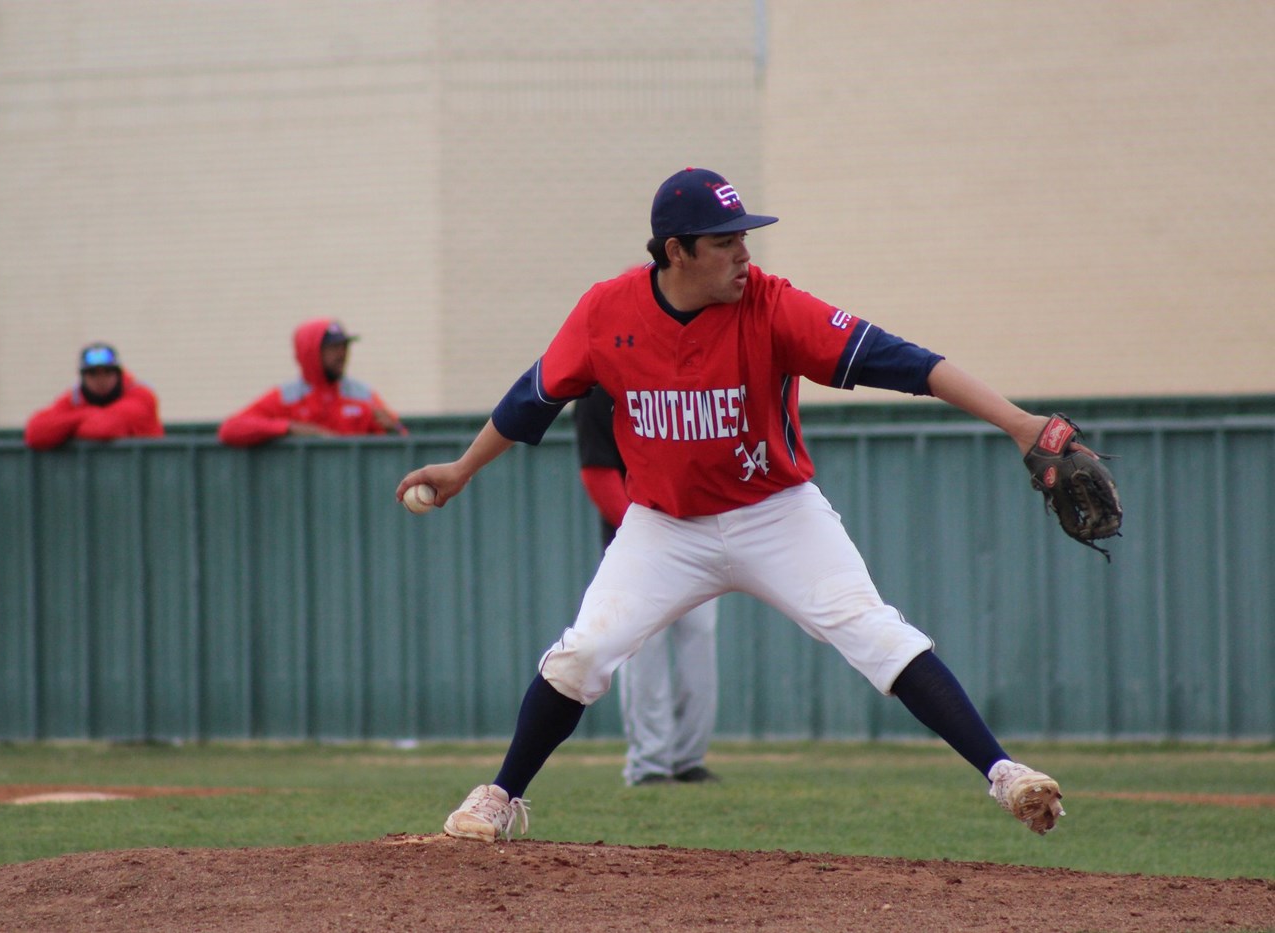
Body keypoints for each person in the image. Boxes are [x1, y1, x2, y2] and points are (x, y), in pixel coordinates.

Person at [397, 167, 1068, 844]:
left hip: (776, 514)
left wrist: (1017, 423)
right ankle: (500, 794)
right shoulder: (608, 311)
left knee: (873, 630)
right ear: (676, 250)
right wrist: (461, 467)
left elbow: (904, 361)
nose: (744, 253)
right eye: (723, 241)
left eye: (742, 236)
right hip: (664, 527)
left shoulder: (771, 304)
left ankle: (1004, 772)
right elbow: (530, 398)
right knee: (583, 652)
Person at [574, 384, 720, 786]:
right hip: (638, 548)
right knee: (644, 650)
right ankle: (650, 764)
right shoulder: (596, 390)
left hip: (696, 532)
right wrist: (646, 538)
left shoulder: (675, 373)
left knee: (699, 643)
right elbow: (598, 475)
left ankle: (689, 759)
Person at [218, 318, 406, 446]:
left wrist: (393, 429)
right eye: (333, 348)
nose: (342, 354)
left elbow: (402, 441)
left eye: (344, 347)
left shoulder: (362, 394)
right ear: (311, 352)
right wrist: (291, 428)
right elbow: (230, 429)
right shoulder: (286, 397)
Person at [24, 342, 164, 450]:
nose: (100, 379)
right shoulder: (76, 398)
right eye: (92, 374)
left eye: (107, 372)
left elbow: (105, 428)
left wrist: (67, 428)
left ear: (118, 374)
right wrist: (85, 416)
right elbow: (35, 432)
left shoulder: (140, 395)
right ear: (82, 377)